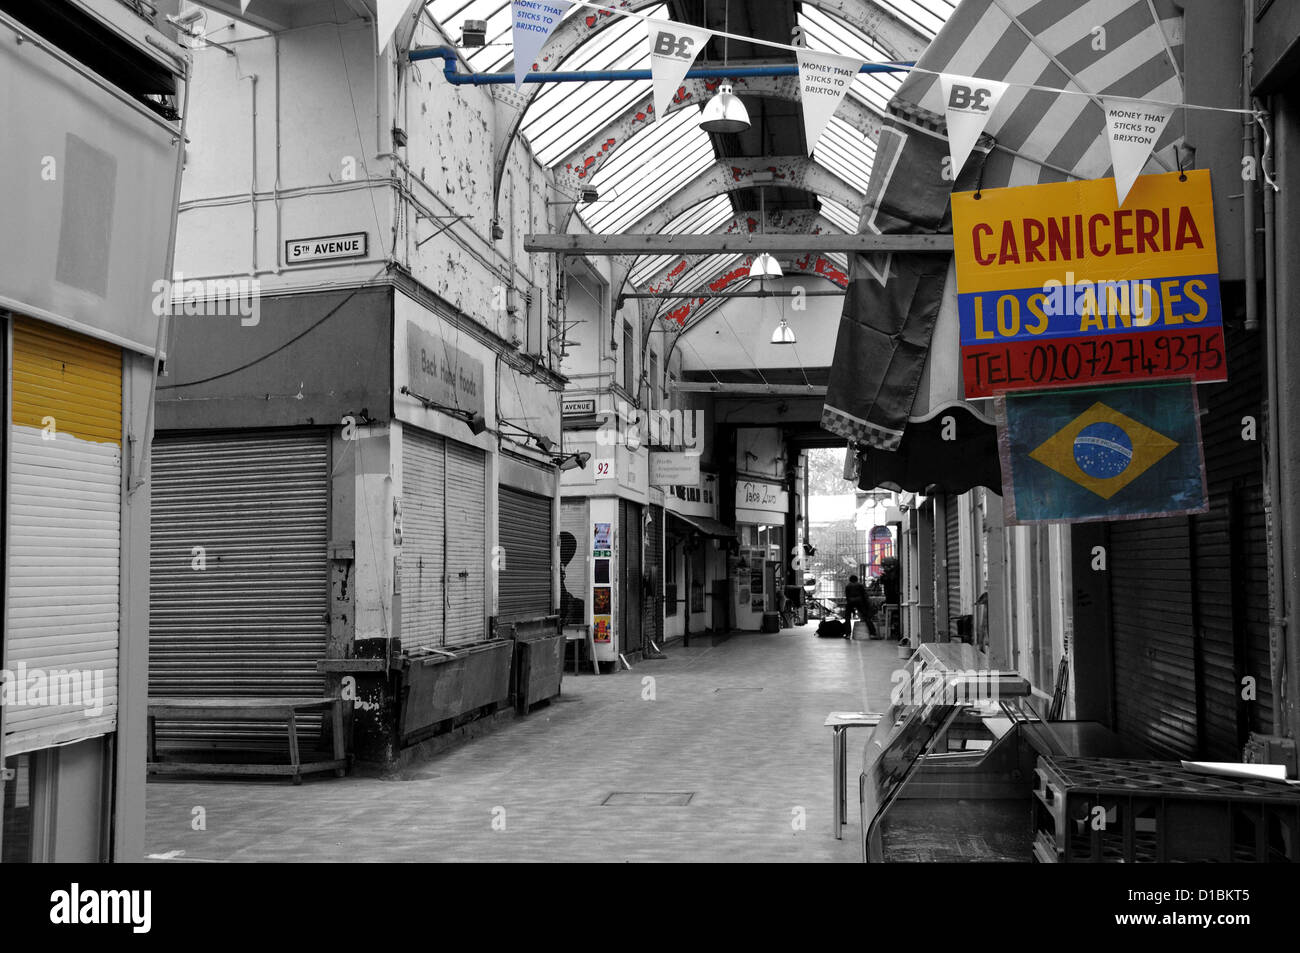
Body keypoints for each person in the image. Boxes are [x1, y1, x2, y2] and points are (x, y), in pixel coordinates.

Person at [880, 557, 901, 640]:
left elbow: (890, 586)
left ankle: (894, 629)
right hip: (891, 598)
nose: (884, 569)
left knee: (893, 615)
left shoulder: (892, 576)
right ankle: (893, 628)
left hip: (893, 598)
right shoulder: (890, 575)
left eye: (885, 567)